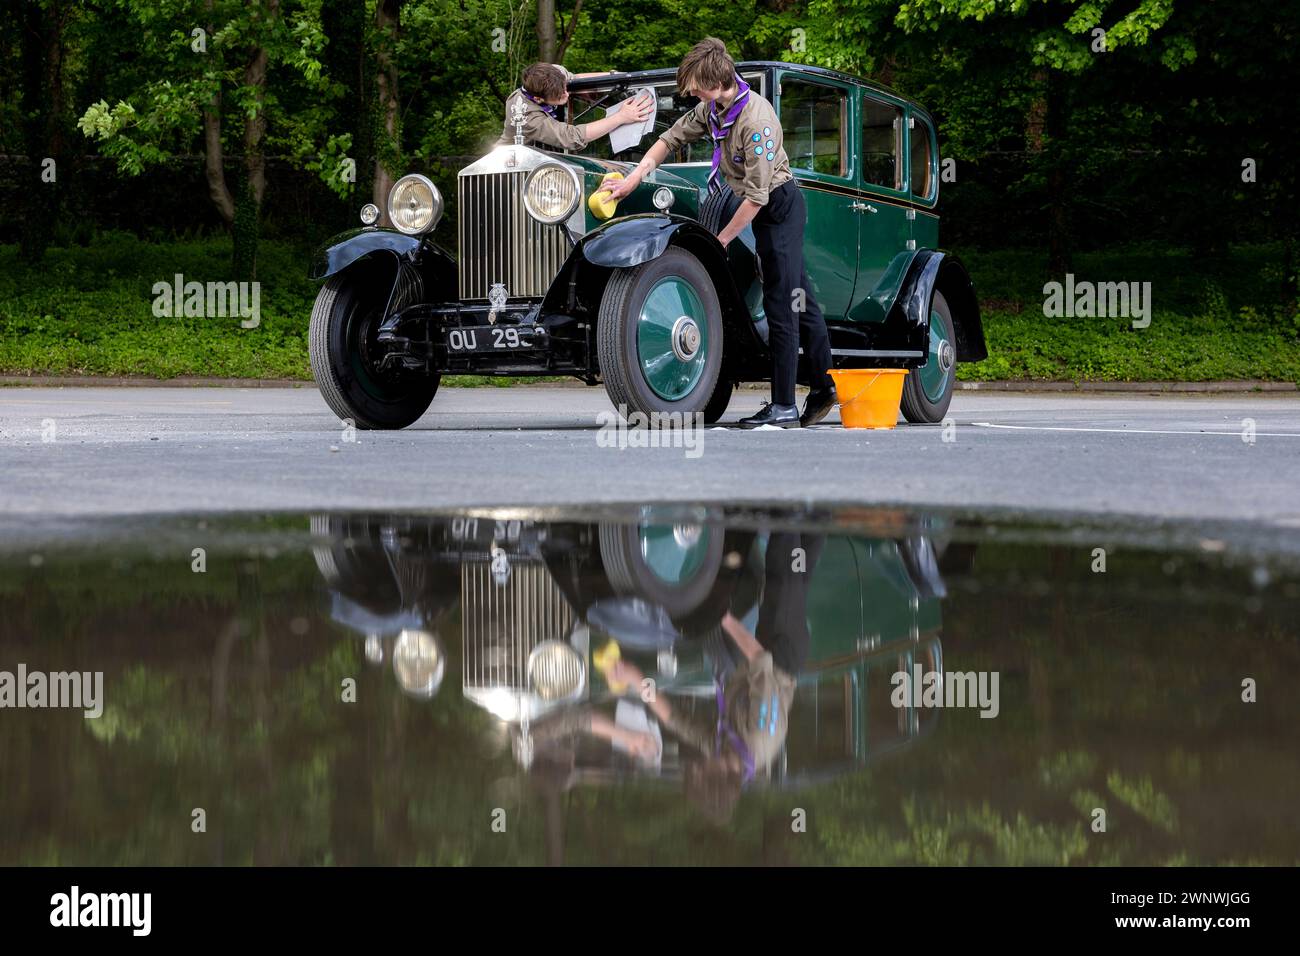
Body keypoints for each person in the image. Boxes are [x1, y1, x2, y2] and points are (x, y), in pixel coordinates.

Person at [597, 38, 837, 428]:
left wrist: (720, 241)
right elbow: (667, 140)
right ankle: (825, 387)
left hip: (779, 206)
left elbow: (757, 198)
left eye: (694, 85)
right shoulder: (713, 109)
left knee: (781, 302)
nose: (689, 91)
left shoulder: (756, 121)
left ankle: (784, 406)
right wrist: (631, 179)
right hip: (759, 205)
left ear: (715, 80)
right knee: (799, 296)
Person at [496, 63, 653, 151]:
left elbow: (576, 78)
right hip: (512, 167)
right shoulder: (523, 114)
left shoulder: (553, 73)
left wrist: (619, 76)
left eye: (565, 88)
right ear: (538, 98)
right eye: (560, 96)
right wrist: (621, 117)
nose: (567, 95)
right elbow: (571, 138)